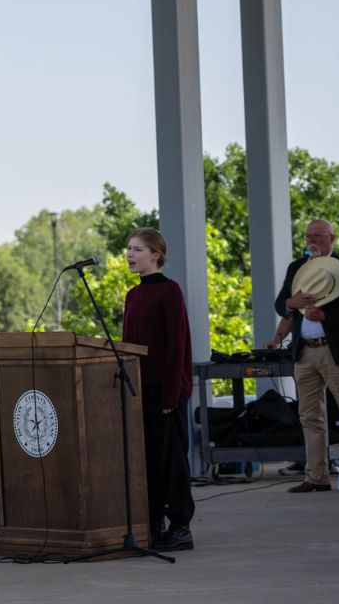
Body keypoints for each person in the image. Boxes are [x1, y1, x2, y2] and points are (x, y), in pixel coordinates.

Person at [267, 219, 339, 494]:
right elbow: (280, 303)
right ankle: (316, 476)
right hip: (304, 350)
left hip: (335, 349)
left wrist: (327, 316)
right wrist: (290, 304)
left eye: (319, 236)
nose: (312, 241)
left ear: (332, 237)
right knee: (309, 416)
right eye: (309, 236)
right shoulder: (297, 268)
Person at [122, 227, 196, 551]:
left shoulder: (170, 291)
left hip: (165, 391)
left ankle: (181, 527)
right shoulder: (133, 295)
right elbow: (128, 345)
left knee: (171, 460)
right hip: (141, 389)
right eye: (128, 249)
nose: (130, 255)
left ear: (156, 254)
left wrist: (171, 394)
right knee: (147, 459)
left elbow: (177, 345)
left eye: (137, 249)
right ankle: (152, 522)